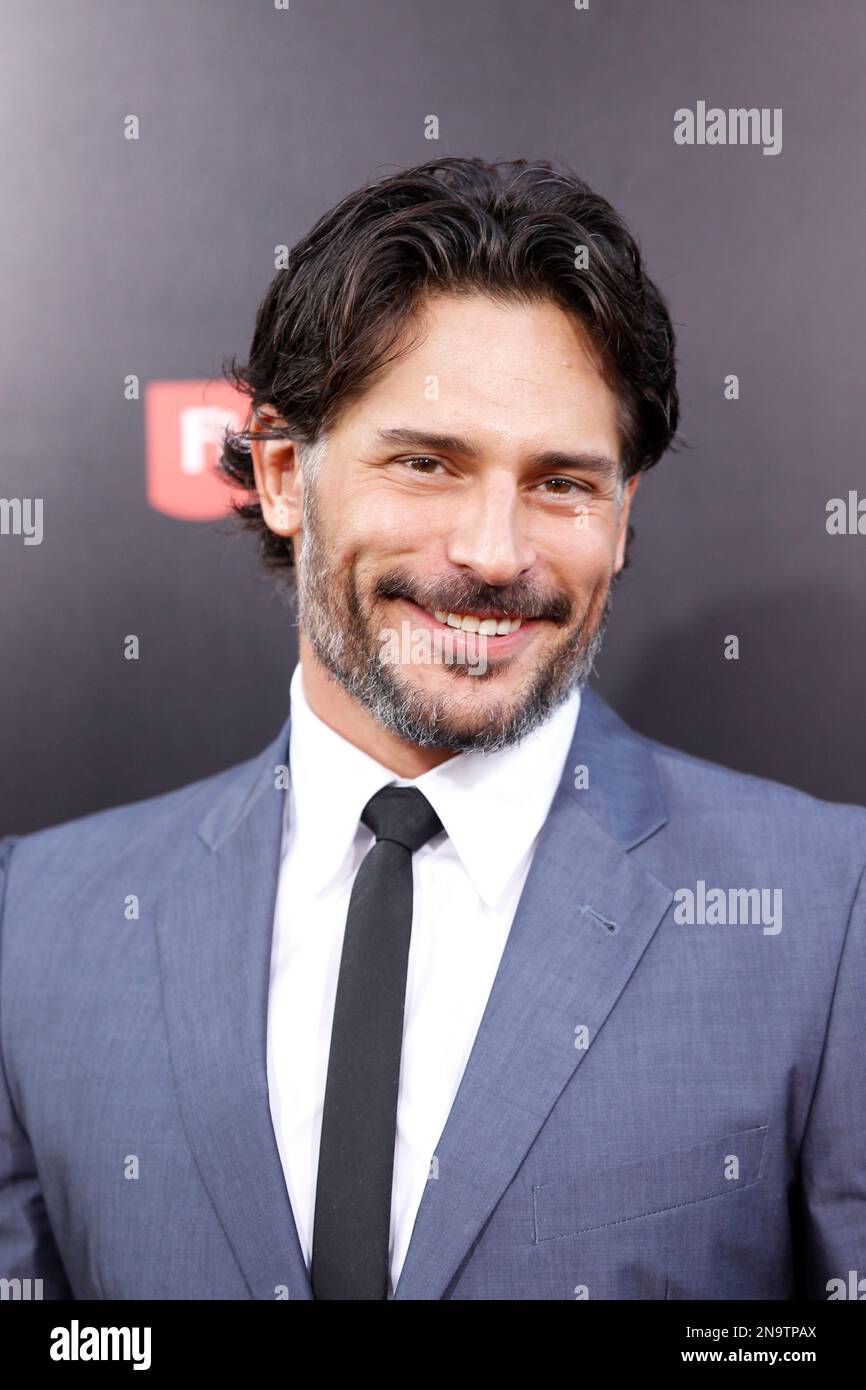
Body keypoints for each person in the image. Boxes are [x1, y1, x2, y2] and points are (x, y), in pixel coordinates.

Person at [1, 157, 863, 1301]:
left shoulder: (825, 913)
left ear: (620, 519)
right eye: (425, 463)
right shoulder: (38, 922)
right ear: (278, 473)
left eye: (562, 483)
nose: (494, 552)